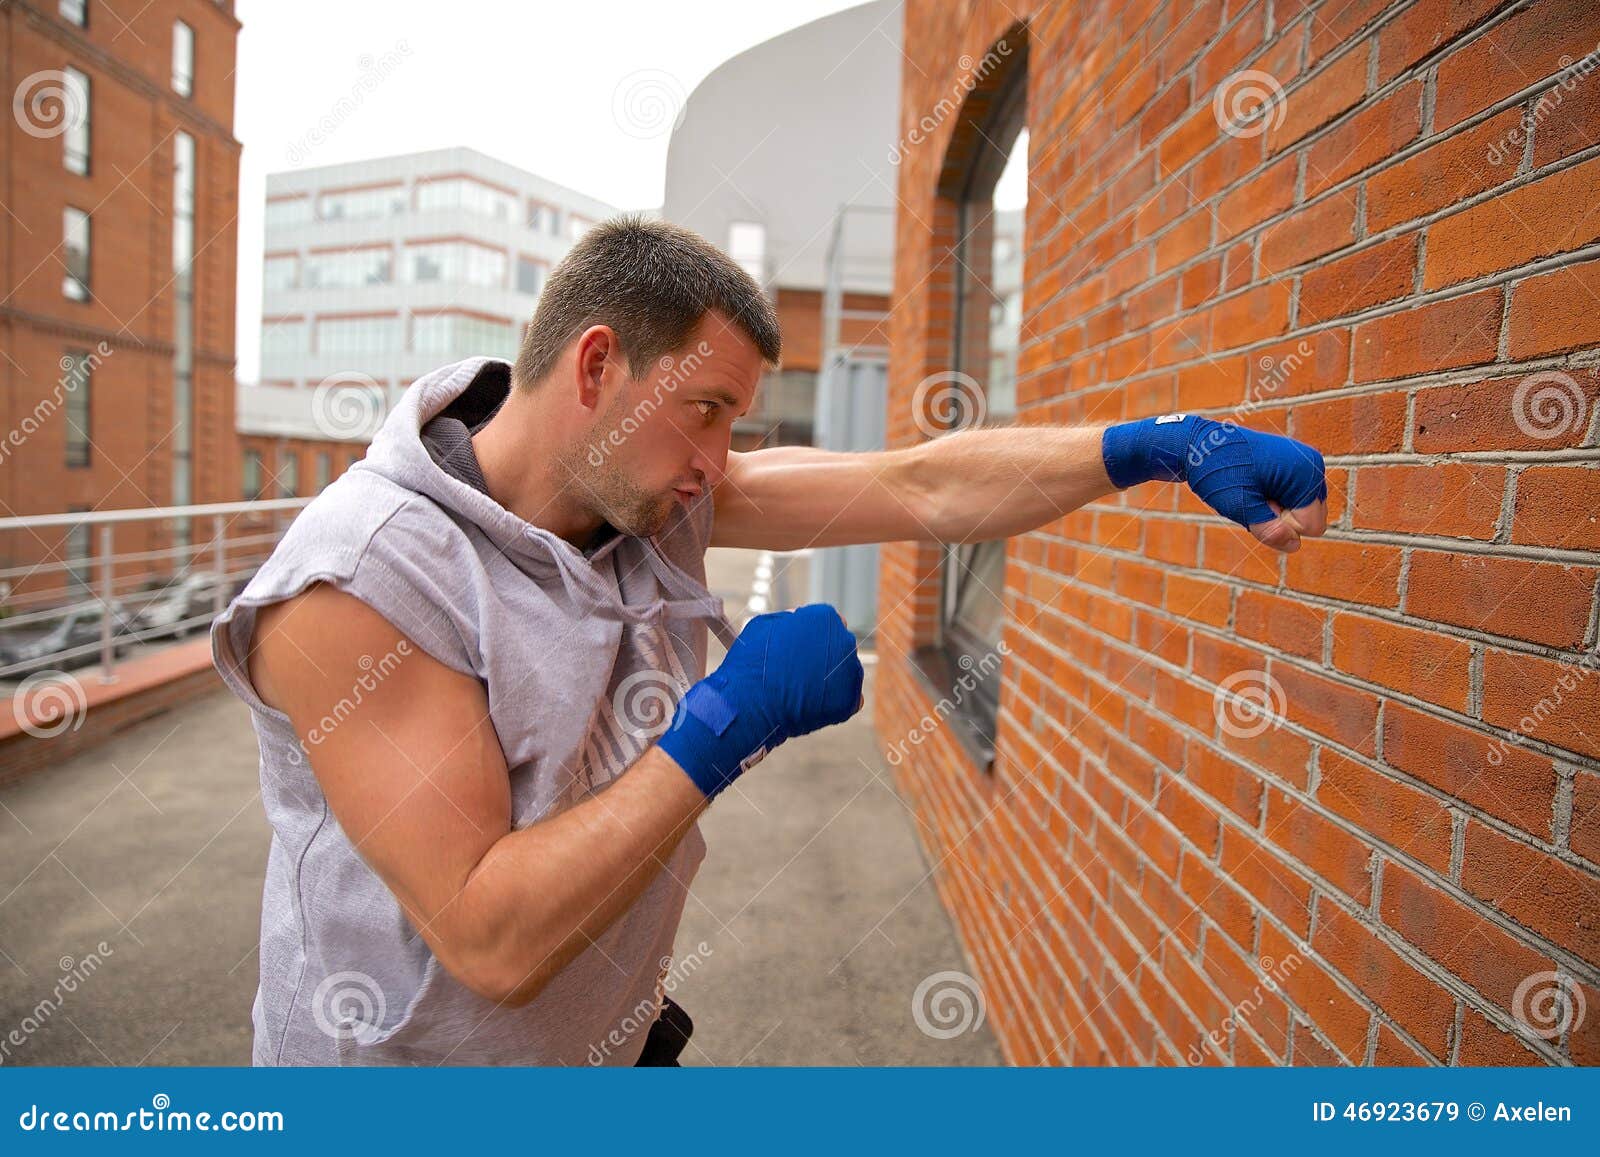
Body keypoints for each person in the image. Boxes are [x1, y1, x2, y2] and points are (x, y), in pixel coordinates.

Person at [211, 214, 1328, 1066]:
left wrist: (1156, 447)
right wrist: (726, 723)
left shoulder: (644, 490)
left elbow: (919, 484)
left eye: (735, 420)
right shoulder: (361, 578)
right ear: (596, 368)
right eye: (706, 409)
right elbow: (488, 934)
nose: (720, 456)